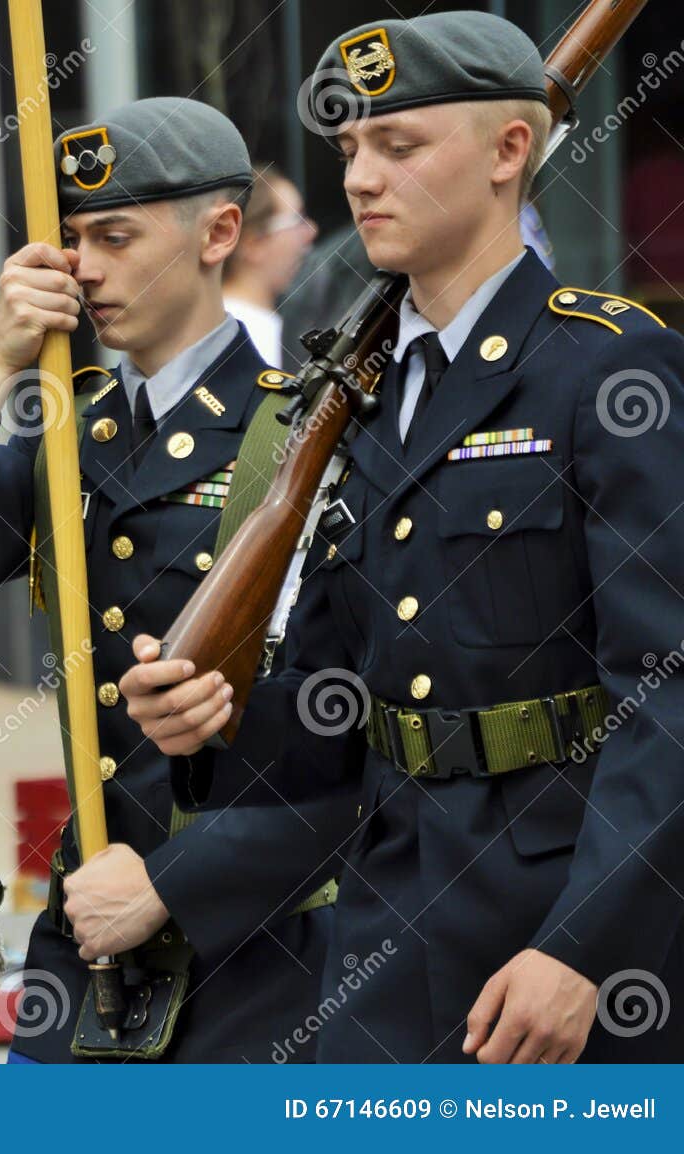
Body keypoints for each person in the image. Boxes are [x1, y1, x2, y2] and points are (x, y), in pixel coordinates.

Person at [124, 12, 684, 1063]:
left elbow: (667, 692)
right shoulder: (370, 393)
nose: (359, 178)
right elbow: (351, 695)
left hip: (554, 945)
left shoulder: (604, 370)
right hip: (387, 924)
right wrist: (218, 715)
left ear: (509, 151)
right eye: (348, 150)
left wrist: (585, 946)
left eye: (400, 144)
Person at [0, 97, 355, 1062]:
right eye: (74, 238)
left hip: (258, 930)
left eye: (116, 236)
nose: (84, 266)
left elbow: (351, 722)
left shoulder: (306, 431)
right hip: (86, 925)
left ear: (219, 233)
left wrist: (176, 885)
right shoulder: (73, 429)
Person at [222, 164, 316, 366]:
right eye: (298, 219)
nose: (311, 231)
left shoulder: (212, 325)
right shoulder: (259, 337)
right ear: (253, 243)